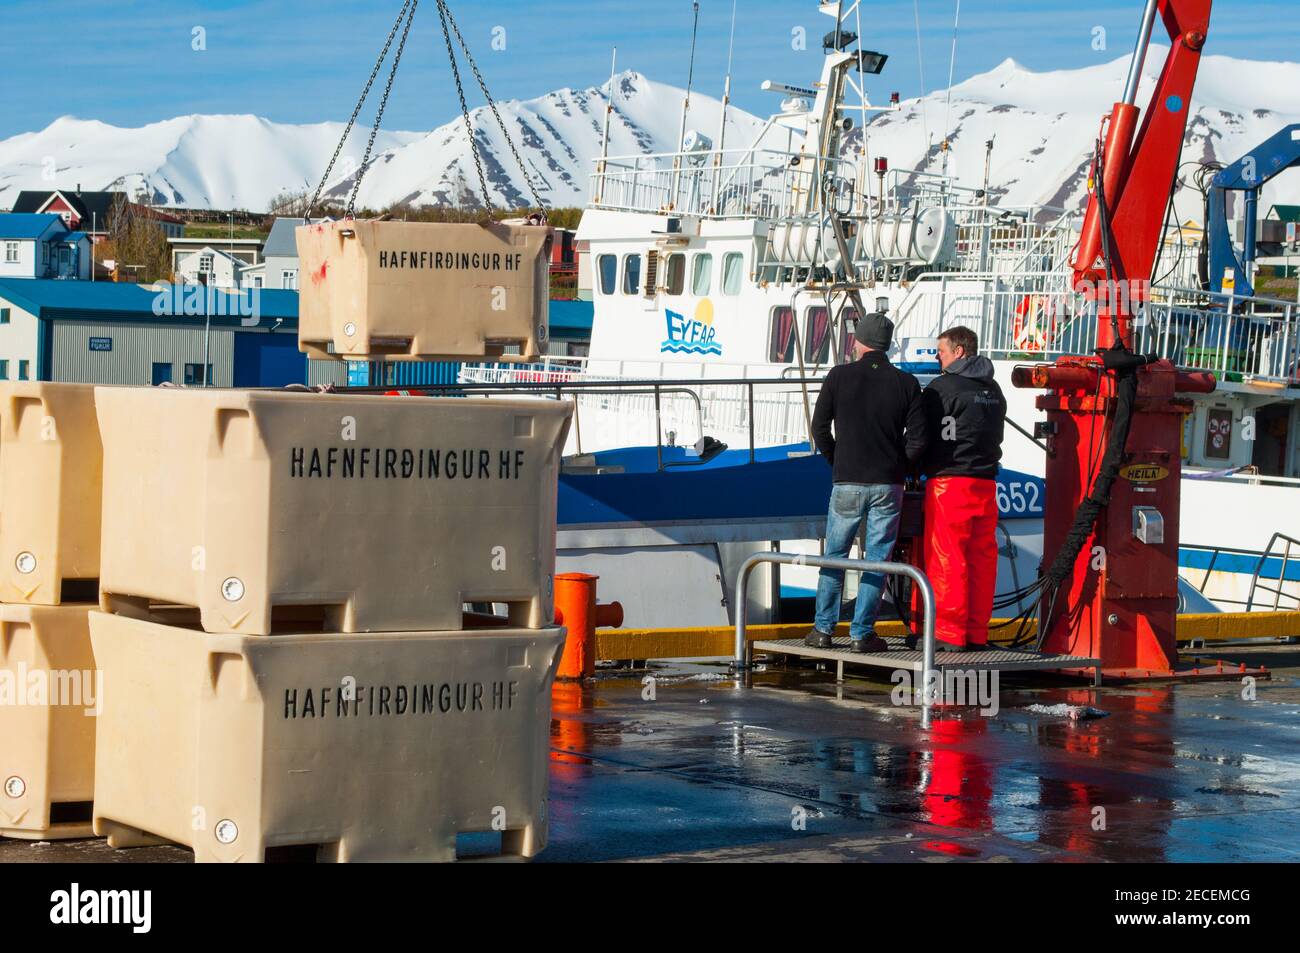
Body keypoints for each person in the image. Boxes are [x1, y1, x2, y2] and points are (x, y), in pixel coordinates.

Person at [808, 311, 928, 652]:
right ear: (886, 346)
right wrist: (897, 467)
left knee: (835, 555)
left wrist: (837, 460)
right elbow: (918, 439)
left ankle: (822, 631)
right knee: (877, 557)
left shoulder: (838, 376)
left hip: (847, 480)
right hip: (888, 484)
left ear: (858, 342)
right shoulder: (906, 383)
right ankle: (862, 635)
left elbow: (819, 429)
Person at [919, 326, 1008, 652]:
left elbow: (924, 435)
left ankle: (949, 634)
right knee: (982, 560)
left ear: (959, 352)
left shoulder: (942, 388)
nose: (937, 357)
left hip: (949, 483)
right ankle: (976, 633)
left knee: (948, 558)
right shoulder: (994, 389)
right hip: (986, 482)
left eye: (941, 351)